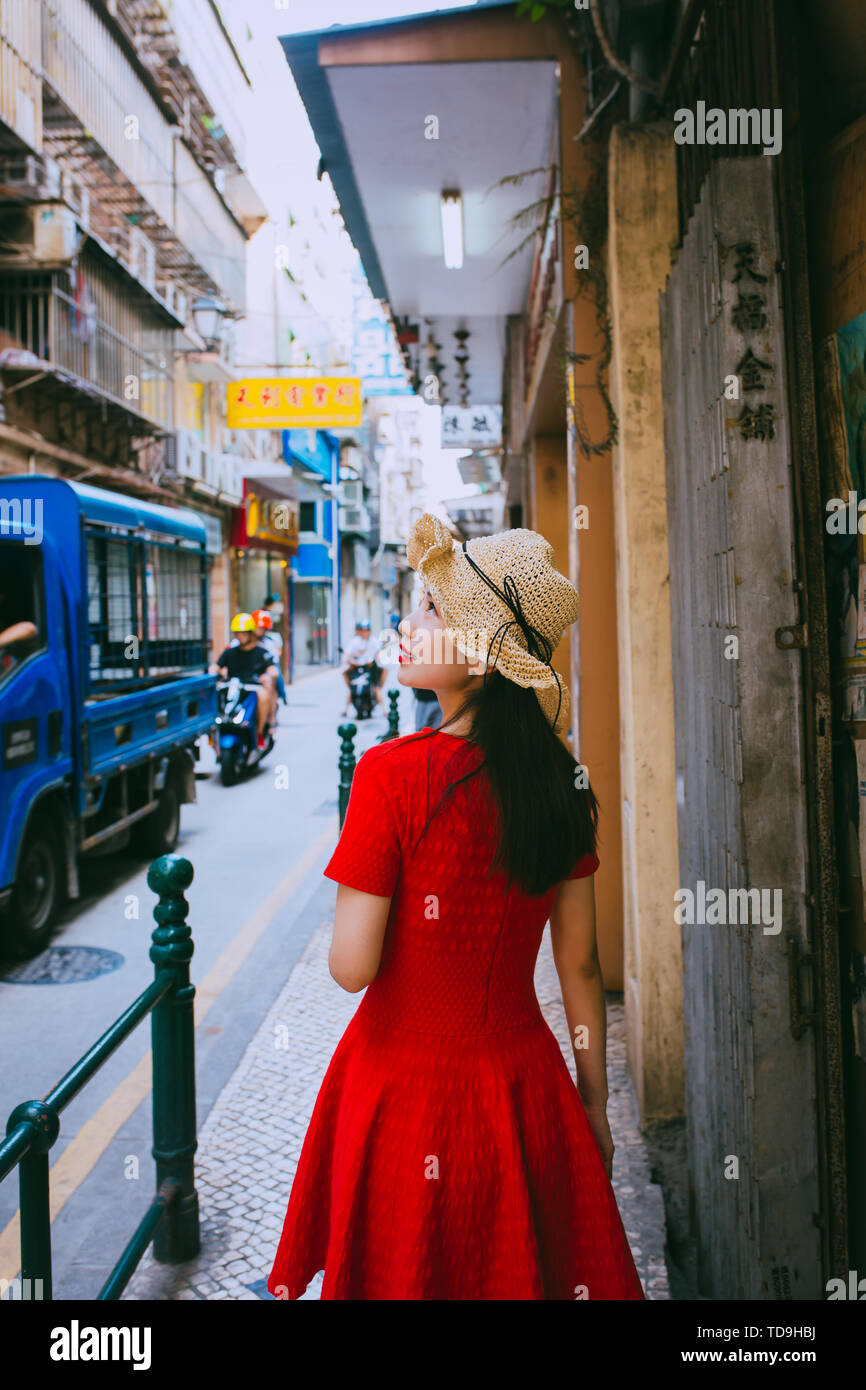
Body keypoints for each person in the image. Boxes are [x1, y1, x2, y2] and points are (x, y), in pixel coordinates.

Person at [268, 512, 645, 1301]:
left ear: (481, 655)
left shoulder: (390, 776)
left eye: (435, 611)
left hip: (402, 1092)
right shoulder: (560, 785)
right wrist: (595, 1105)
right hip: (522, 1088)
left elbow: (349, 967)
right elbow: (579, 964)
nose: (410, 623)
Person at [214, 613, 278, 750]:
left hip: (253, 691)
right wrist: (217, 672)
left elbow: (273, 670)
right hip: (233, 690)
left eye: (243, 633)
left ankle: (260, 732)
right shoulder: (229, 653)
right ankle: (214, 740)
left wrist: (267, 675)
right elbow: (216, 666)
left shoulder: (261, 652)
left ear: (250, 633)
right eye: (238, 633)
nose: (240, 636)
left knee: (264, 694)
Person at [341, 618, 385, 715]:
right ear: (359, 631)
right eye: (362, 630)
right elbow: (347, 653)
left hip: (370, 667)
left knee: (377, 687)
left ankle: (384, 710)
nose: (364, 632)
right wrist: (347, 659)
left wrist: (378, 660)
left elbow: (378, 653)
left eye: (366, 630)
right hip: (357, 667)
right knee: (348, 681)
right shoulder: (354, 641)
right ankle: (346, 709)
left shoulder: (374, 640)